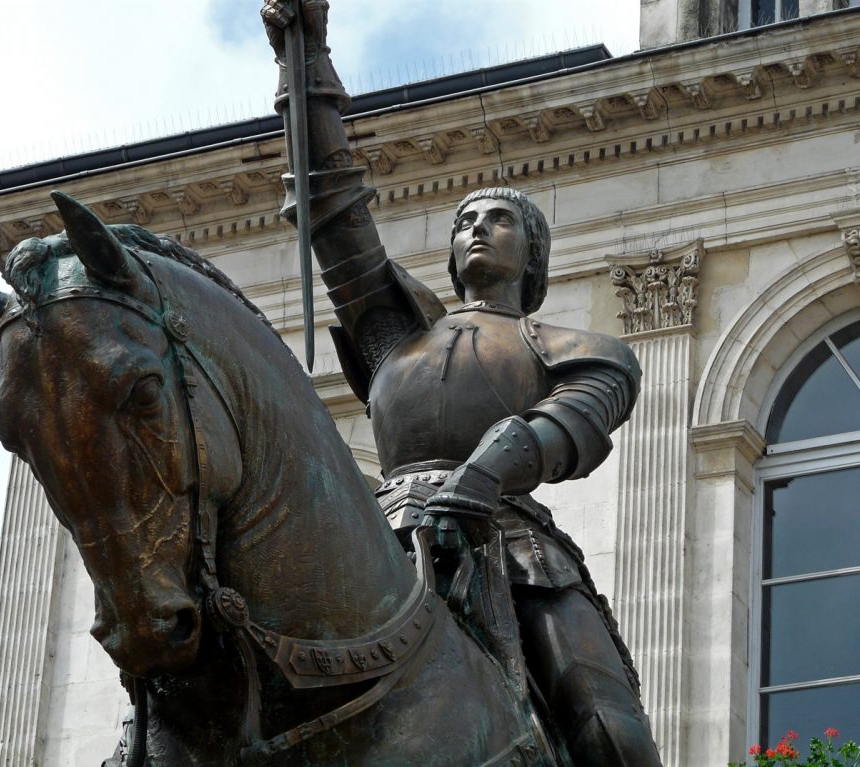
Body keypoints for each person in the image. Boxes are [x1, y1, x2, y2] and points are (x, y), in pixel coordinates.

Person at [261, 2, 663, 763]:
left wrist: (483, 474)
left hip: (510, 543)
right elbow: (331, 205)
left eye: (498, 219)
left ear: (533, 254)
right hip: (378, 534)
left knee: (609, 724)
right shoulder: (397, 334)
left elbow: (566, 425)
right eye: (464, 222)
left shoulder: (583, 348)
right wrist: (303, 55)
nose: (476, 227)